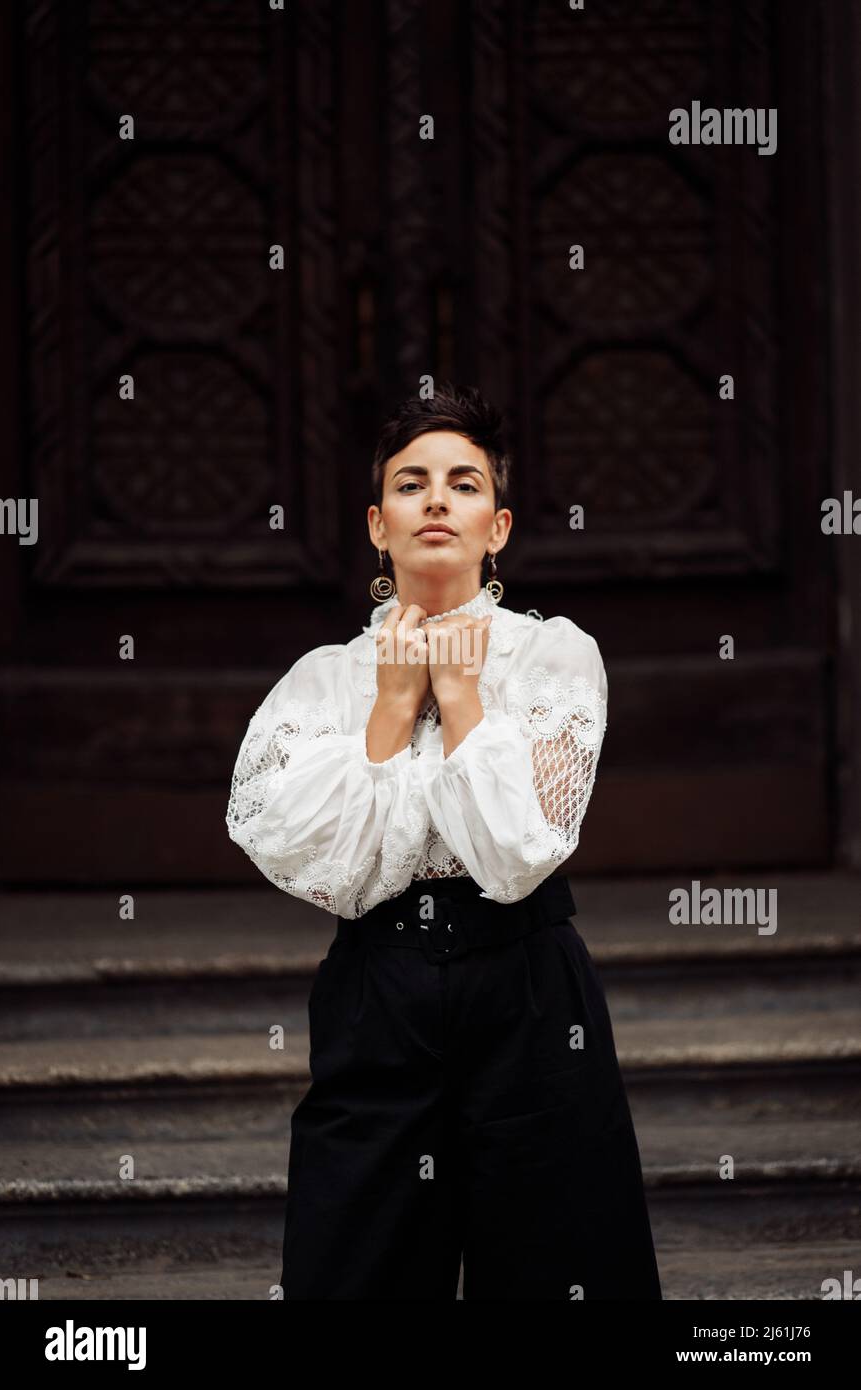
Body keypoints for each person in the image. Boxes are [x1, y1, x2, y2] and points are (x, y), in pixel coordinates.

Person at [225, 382, 662, 1301]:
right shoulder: (322, 682)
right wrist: (390, 704)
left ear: (497, 527)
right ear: (377, 524)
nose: (435, 500)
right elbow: (317, 863)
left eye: (463, 484)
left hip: (530, 988)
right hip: (376, 987)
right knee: (356, 1262)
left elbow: (522, 849)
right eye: (411, 483)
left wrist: (459, 697)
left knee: (561, 1265)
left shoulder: (555, 657)